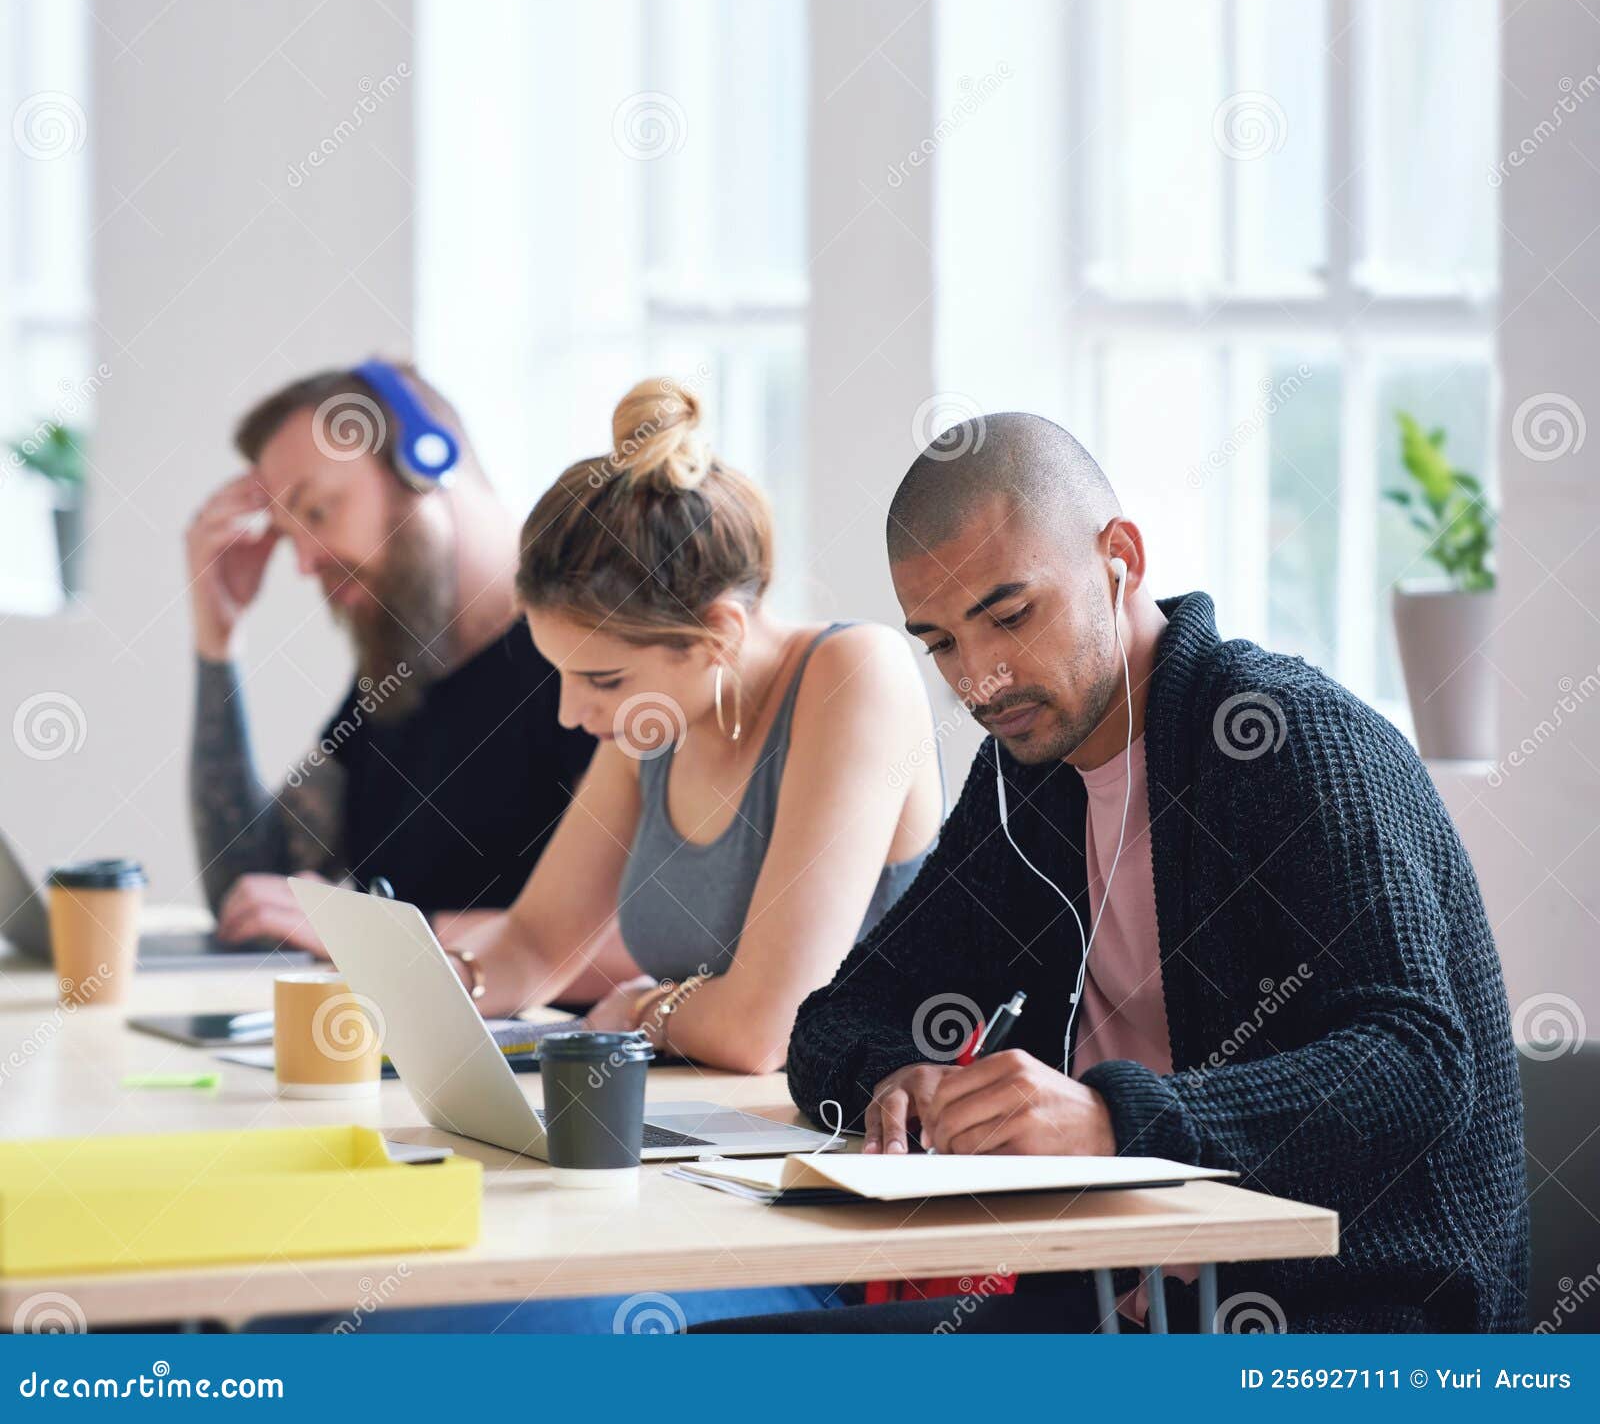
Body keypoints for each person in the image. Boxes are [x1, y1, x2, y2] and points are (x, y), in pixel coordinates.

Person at [697, 411, 1526, 1335]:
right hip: (1121, 1303)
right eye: (940, 643)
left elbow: (1414, 1062)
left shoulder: (1286, 739)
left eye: (1010, 615)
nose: (980, 679)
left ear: (1119, 556)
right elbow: (833, 1019)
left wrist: (1114, 1121)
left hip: (1354, 1317)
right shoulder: (1024, 781)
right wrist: (902, 1075)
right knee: (703, 1369)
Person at [278, 374, 943, 1334]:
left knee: (430, 1325)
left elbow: (766, 1025)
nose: (573, 712)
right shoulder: (655, 714)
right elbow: (536, 944)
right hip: (681, 1174)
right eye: (561, 674)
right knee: (303, 1300)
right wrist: (435, 987)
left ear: (717, 633)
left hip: (819, 1209)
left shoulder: (855, 676)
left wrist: (647, 1007)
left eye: (599, 678)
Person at [186, 361, 627, 994]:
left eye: (319, 509)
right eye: (289, 536)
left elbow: (665, 943)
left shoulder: (599, 659)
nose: (306, 562)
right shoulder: (400, 671)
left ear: (426, 460)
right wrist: (217, 642)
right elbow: (253, 890)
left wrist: (392, 936)